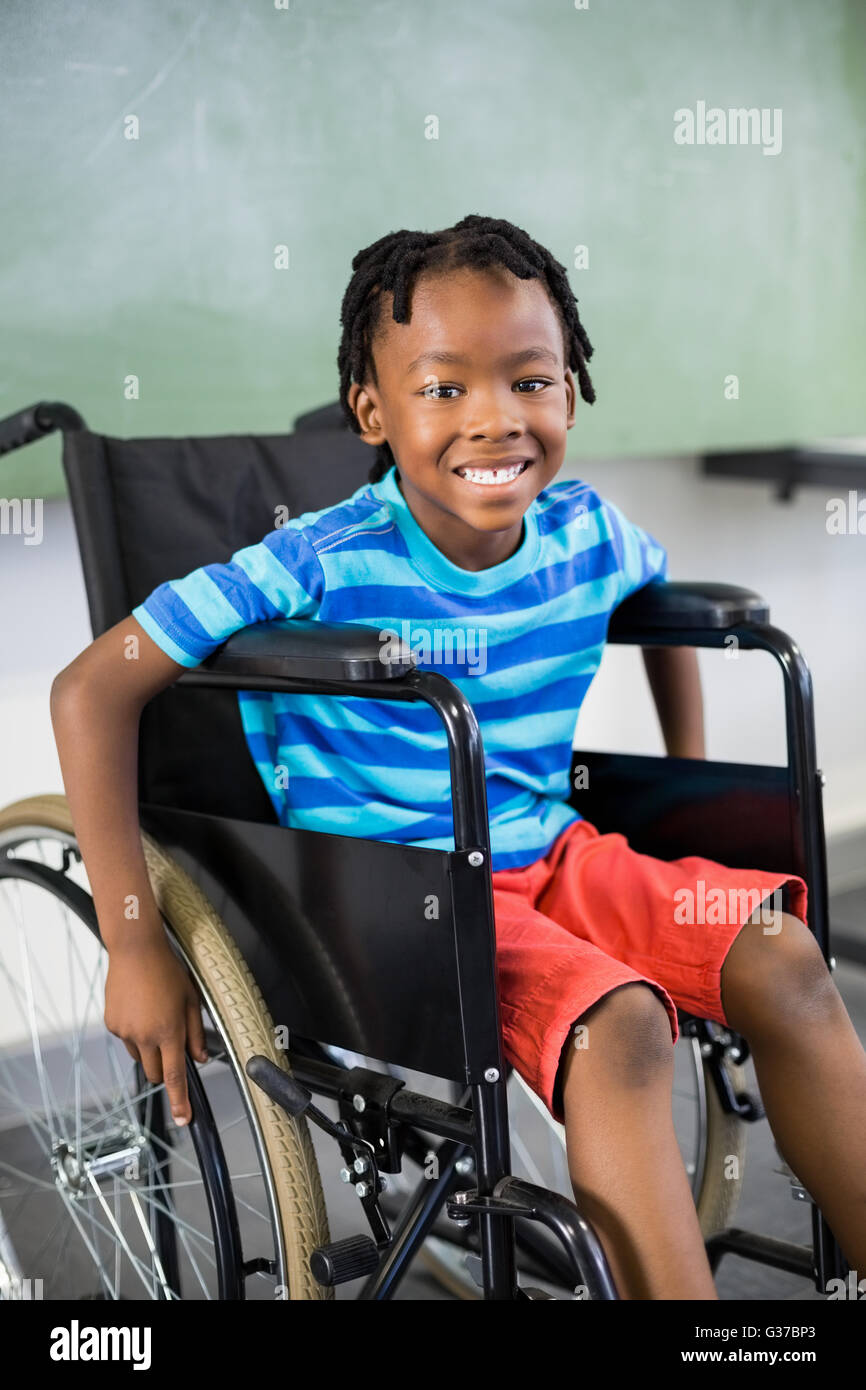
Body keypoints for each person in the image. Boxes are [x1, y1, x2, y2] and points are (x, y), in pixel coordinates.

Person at [51, 214, 866, 1300]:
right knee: (620, 1023)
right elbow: (90, 688)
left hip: (553, 853)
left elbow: (654, 602)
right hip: (403, 892)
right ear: (373, 412)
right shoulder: (316, 559)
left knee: (780, 952)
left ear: (570, 392)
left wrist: (685, 787)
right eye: (443, 389)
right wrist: (133, 940)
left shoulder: (587, 531)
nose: (495, 417)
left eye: (530, 380)